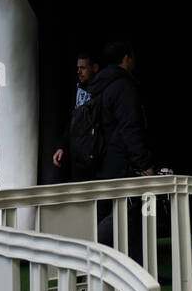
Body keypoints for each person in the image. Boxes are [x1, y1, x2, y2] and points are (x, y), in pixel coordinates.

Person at [88, 42, 154, 258]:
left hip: (102, 161)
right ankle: (86, 248)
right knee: (128, 215)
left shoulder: (98, 86)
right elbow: (130, 128)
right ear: (127, 58)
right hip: (123, 163)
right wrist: (144, 164)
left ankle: (136, 269)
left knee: (121, 215)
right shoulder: (124, 87)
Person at [51, 52, 101, 180]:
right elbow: (72, 122)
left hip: (97, 159)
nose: (79, 71)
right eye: (78, 68)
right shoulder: (77, 90)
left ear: (94, 68)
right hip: (78, 159)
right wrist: (62, 146)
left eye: (83, 68)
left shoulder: (102, 92)